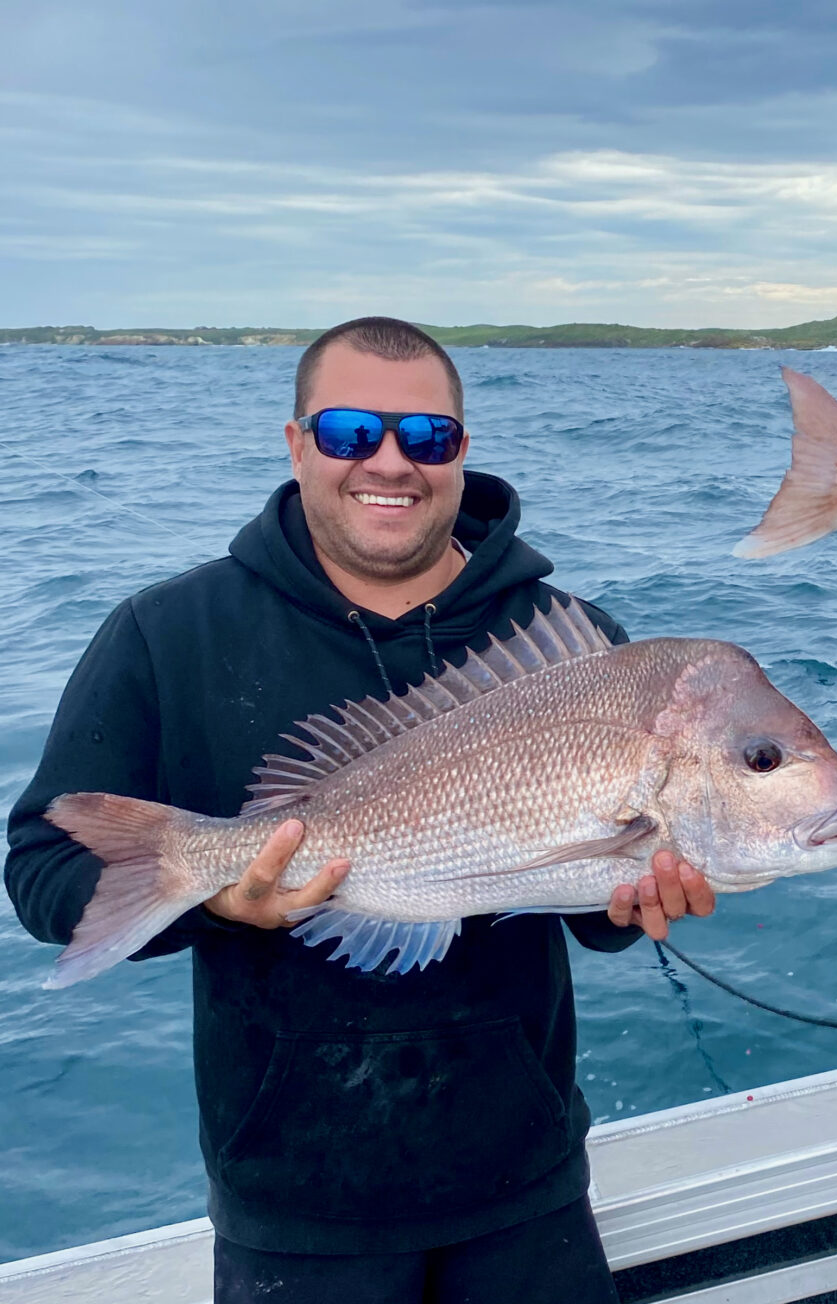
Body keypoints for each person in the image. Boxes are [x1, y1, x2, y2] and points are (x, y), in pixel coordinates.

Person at [5, 317, 716, 1303]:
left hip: (527, 1180)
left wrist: (634, 900)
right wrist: (218, 897)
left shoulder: (577, 646)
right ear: (297, 443)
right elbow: (42, 868)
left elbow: (590, 909)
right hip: (294, 1201)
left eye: (427, 437)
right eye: (348, 431)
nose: (390, 461)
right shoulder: (167, 632)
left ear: (461, 453)